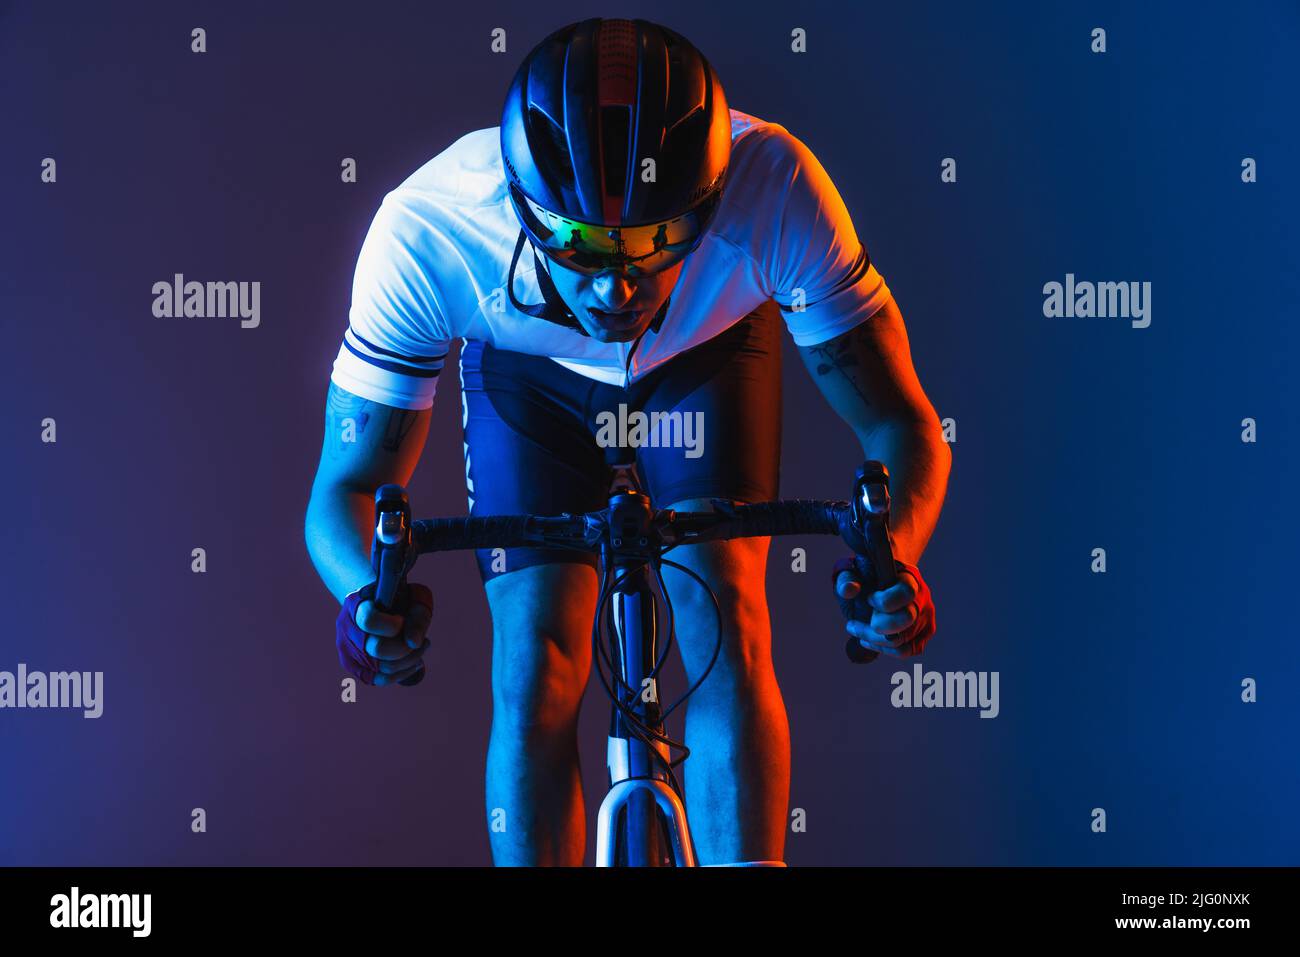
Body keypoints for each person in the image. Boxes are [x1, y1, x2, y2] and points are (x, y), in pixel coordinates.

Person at [305, 17, 949, 866]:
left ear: (714, 199)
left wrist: (895, 555)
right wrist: (362, 595)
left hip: (703, 351)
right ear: (521, 211)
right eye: (579, 245)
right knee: (536, 662)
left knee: (722, 611)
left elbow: (903, 422)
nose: (616, 286)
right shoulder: (430, 229)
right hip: (529, 373)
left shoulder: (777, 185)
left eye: (657, 242)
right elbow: (345, 487)